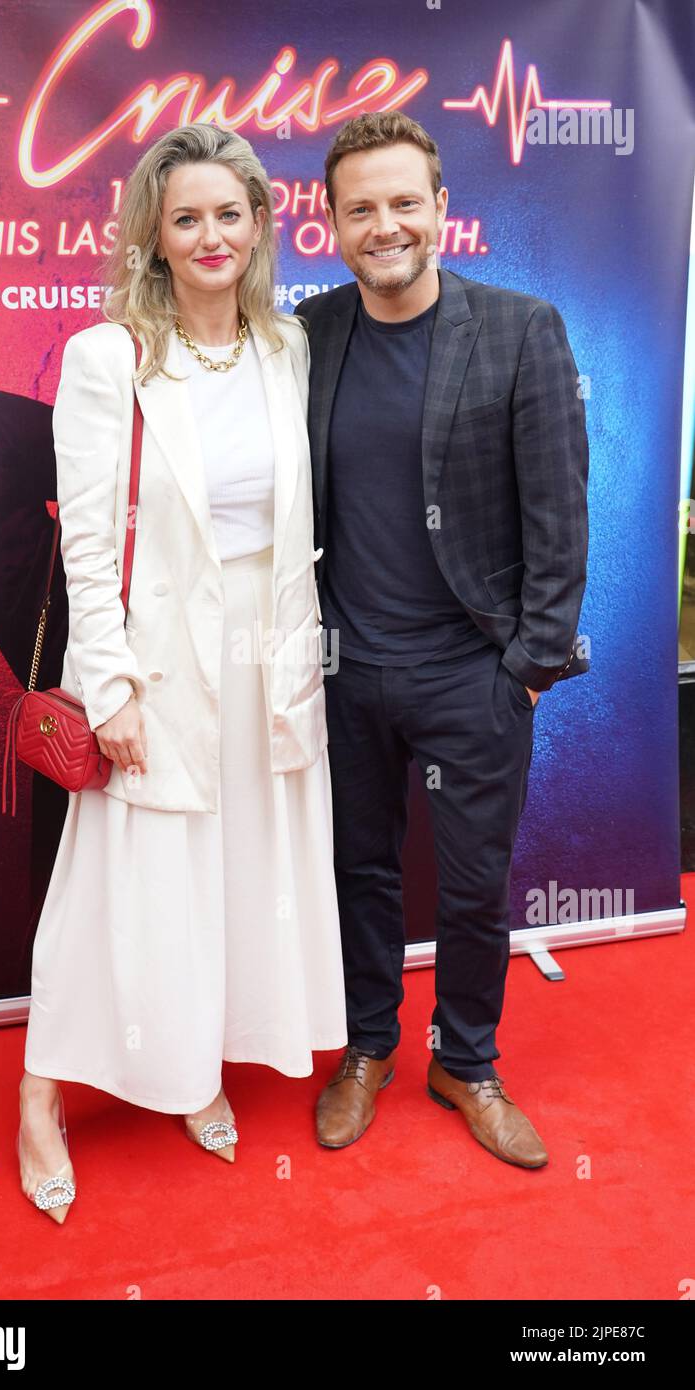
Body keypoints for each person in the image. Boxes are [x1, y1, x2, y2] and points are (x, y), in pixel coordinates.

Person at [17, 122, 347, 1221]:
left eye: (230, 212)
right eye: (186, 217)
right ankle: (37, 1094)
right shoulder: (110, 357)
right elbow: (89, 544)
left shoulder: (284, 346)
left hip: (266, 648)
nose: (212, 234)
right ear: (155, 238)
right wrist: (105, 685)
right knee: (120, 880)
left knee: (239, 866)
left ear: (259, 223)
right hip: (159, 660)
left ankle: (194, 1066)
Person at [294, 111, 589, 1167]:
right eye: (360, 208)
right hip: (344, 673)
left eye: (402, 202)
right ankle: (369, 1045)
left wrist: (525, 671)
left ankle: (464, 1058)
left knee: (471, 885)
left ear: (441, 211)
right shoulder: (309, 335)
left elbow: (559, 516)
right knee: (359, 870)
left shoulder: (518, 329)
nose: (384, 225)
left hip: (473, 673)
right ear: (328, 223)